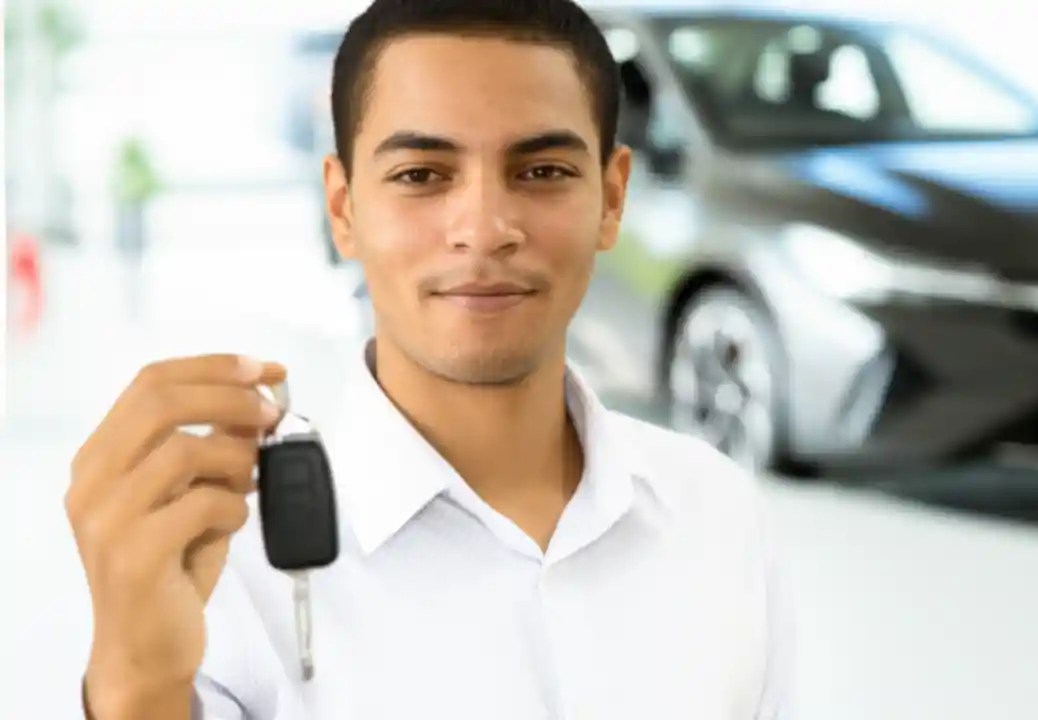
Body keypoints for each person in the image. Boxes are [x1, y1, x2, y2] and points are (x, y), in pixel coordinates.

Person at [66, 1, 792, 717]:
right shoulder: (218, 563)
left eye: (541, 171)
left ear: (611, 196)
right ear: (344, 208)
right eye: (421, 175)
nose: (483, 230)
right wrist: (137, 685)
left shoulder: (717, 513)